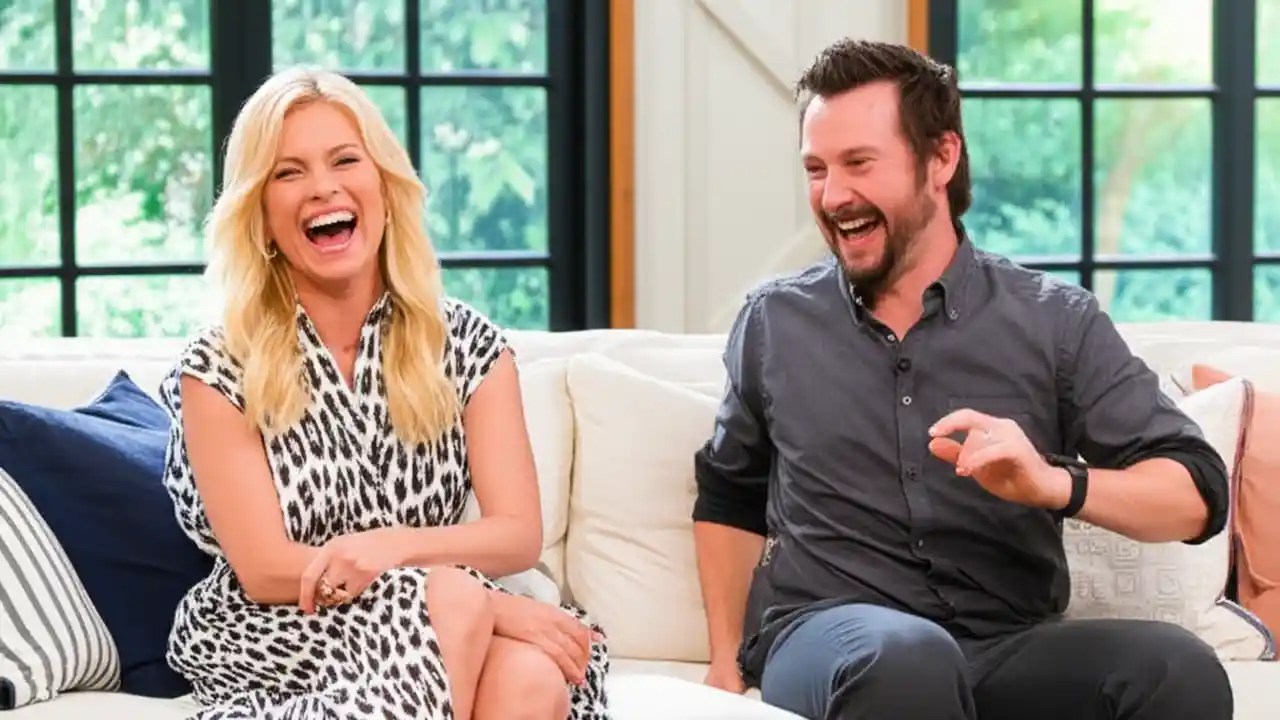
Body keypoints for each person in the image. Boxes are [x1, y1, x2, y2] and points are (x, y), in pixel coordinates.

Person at [691, 38, 1234, 720]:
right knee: (906, 657)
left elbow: (1196, 494)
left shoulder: (1053, 322)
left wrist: (1052, 483)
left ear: (941, 157)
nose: (832, 196)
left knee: (1176, 670)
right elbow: (728, 492)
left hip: (1006, 644)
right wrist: (721, 661)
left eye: (858, 163)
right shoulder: (775, 321)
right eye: (815, 169)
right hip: (828, 639)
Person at [156, 66, 610, 720]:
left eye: (345, 159)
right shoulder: (219, 363)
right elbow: (263, 567)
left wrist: (393, 549)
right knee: (458, 605)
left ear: (386, 187)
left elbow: (515, 535)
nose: (323, 187)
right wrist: (479, 602)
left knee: (533, 680)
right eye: (288, 173)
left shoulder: (468, 343)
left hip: (450, 609)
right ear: (259, 215)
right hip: (285, 628)